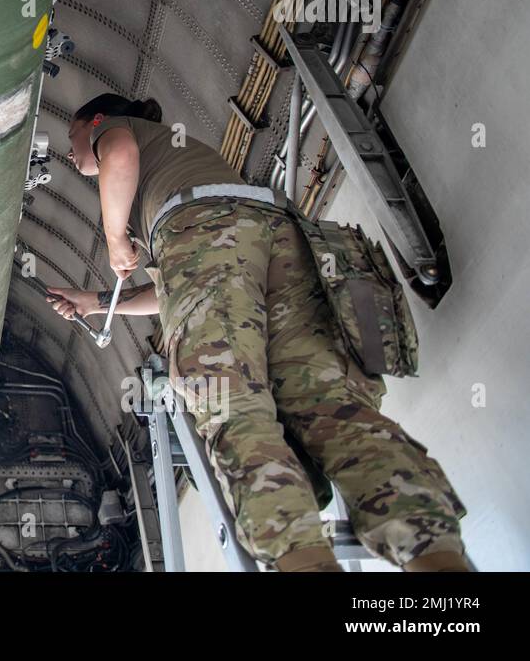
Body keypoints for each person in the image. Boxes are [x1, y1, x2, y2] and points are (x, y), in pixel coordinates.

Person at [46, 93, 468, 572]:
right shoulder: (175, 166)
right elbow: (180, 291)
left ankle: (305, 561)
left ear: (94, 121)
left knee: (233, 407)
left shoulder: (114, 131)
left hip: (204, 236)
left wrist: (117, 239)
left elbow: (118, 153)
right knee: (332, 405)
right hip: (276, 234)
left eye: (72, 136)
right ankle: (439, 562)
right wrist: (100, 303)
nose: (70, 150)